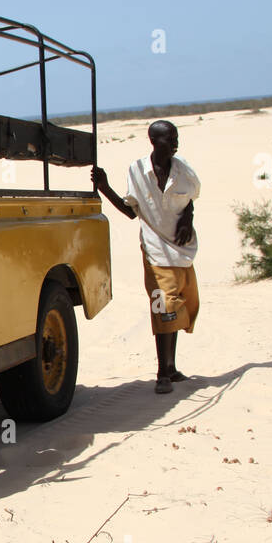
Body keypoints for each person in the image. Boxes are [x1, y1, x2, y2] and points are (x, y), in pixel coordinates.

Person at [91, 119, 200, 394]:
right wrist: (104, 187)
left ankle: (172, 368)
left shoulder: (184, 169)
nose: (175, 143)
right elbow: (131, 211)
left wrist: (188, 219)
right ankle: (162, 373)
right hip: (154, 248)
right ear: (154, 141)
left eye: (176, 137)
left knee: (178, 304)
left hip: (181, 250)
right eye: (169, 138)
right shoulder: (137, 170)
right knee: (163, 305)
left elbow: (189, 201)